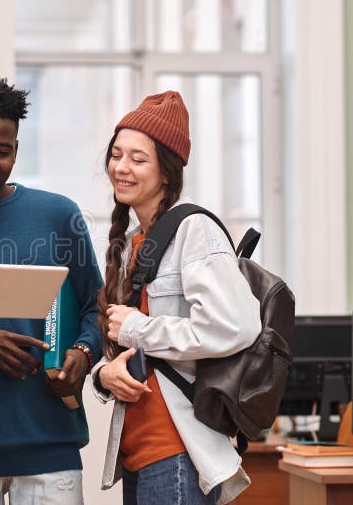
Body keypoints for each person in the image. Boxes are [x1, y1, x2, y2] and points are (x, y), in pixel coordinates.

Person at [0, 74, 104, 505]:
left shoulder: (57, 214)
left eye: (2, 150)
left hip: (50, 440)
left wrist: (83, 354)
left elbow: (97, 307)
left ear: (16, 150)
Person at [91, 91, 261, 505]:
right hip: (137, 453)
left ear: (166, 172)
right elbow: (123, 346)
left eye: (138, 158)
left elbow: (234, 326)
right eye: (117, 155)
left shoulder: (194, 231)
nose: (121, 167)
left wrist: (138, 328)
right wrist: (103, 376)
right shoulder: (133, 244)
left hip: (178, 454)